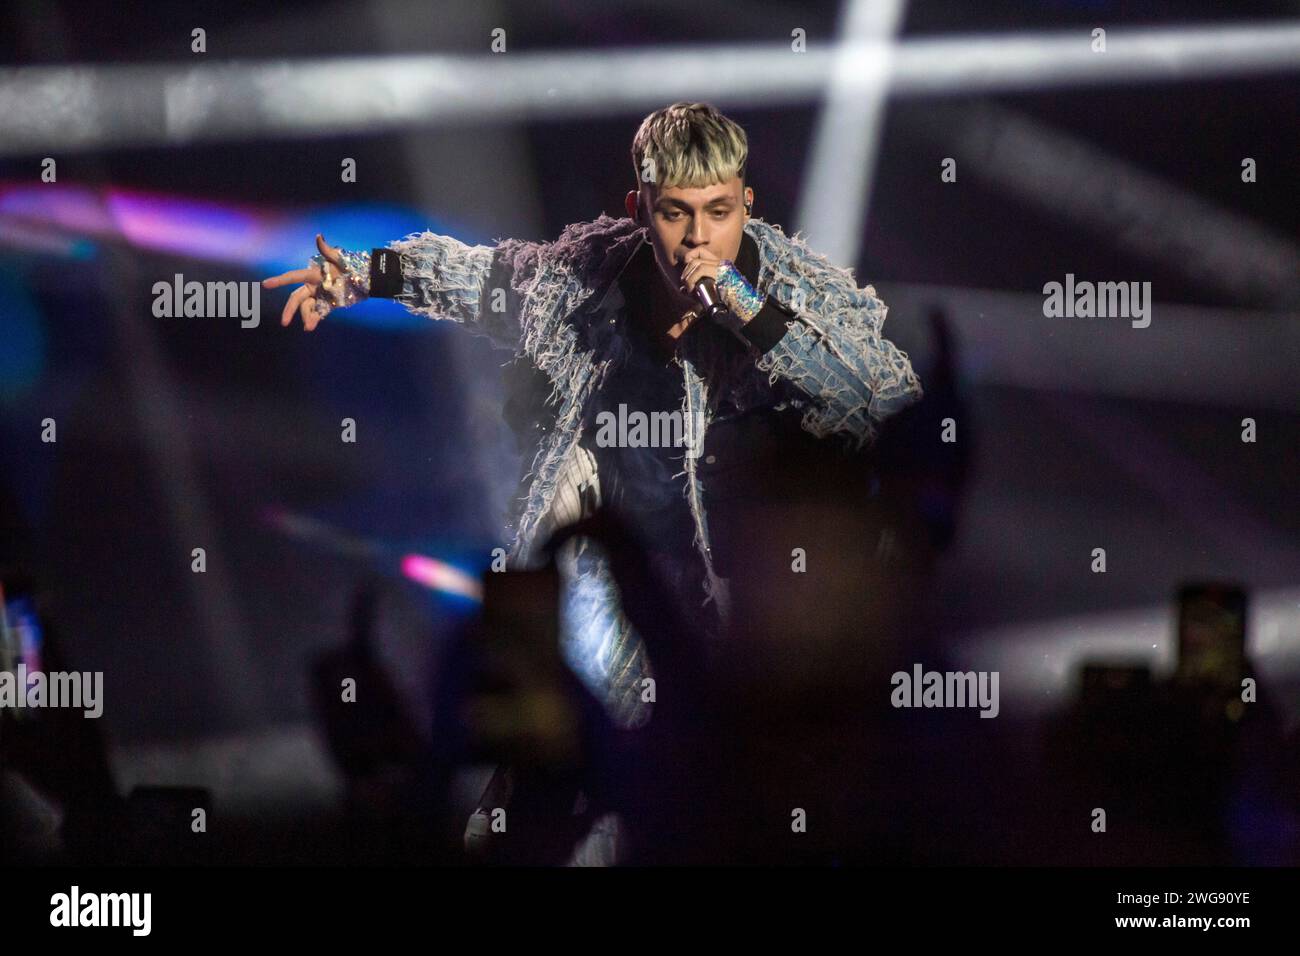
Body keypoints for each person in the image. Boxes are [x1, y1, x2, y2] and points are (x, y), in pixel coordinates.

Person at [264, 101, 924, 861]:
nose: (698, 239)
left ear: (747, 205)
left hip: (741, 614)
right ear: (639, 209)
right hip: (607, 592)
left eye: (718, 211)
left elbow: (874, 403)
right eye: (676, 214)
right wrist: (366, 273)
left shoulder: (793, 289)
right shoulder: (583, 281)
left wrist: (746, 311)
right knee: (528, 804)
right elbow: (478, 278)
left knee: (723, 815)